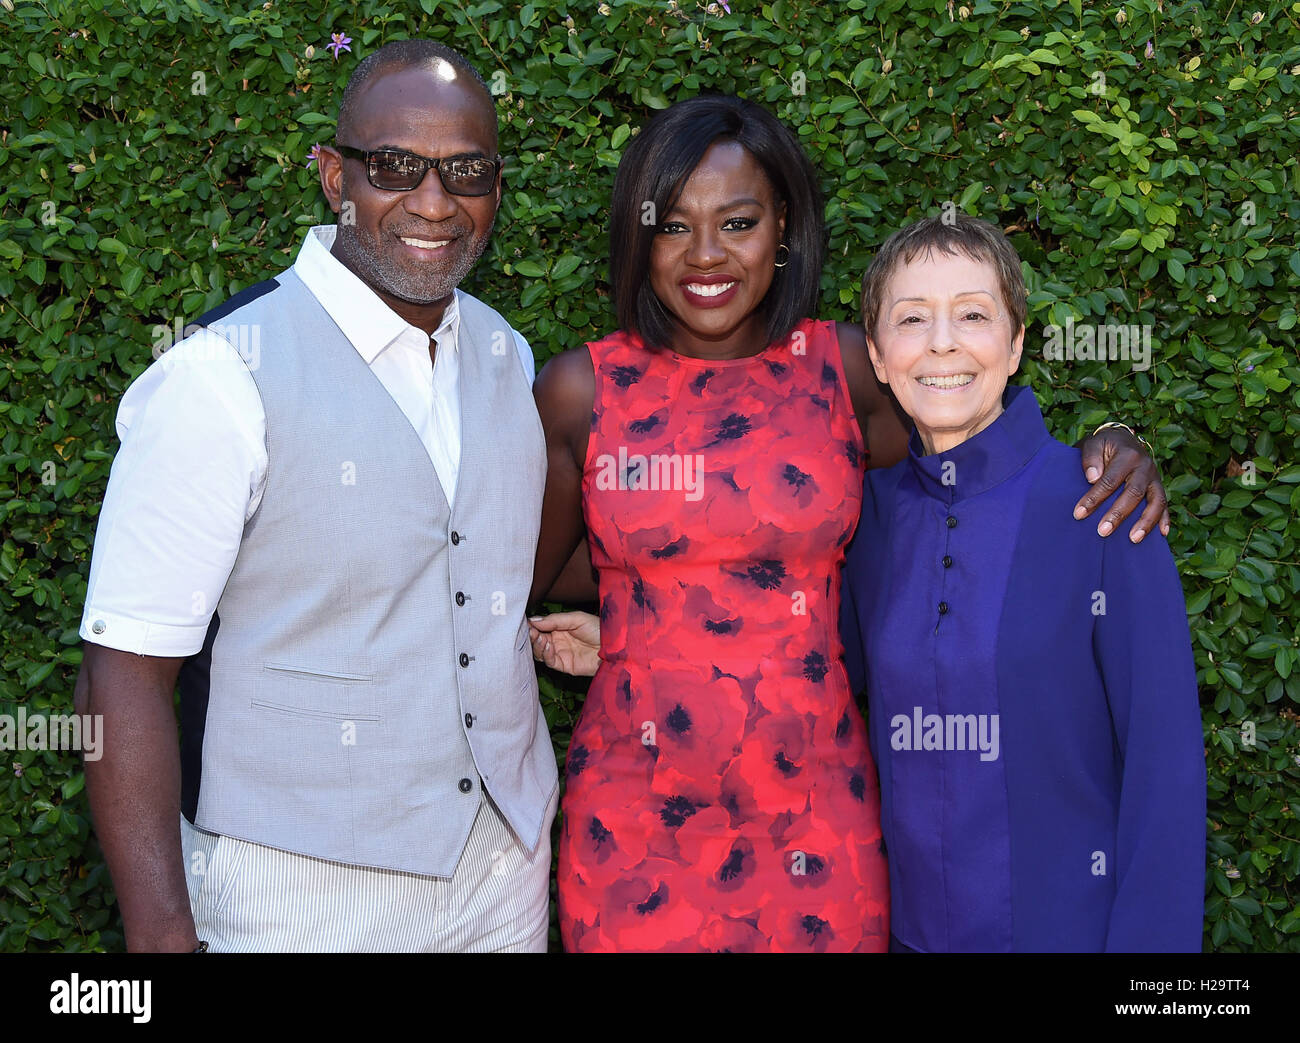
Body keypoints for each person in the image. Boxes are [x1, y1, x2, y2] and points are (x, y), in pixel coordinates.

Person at [528, 95, 1169, 953]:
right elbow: (533, 571)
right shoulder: (579, 391)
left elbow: (968, 441)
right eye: (673, 226)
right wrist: (650, 628)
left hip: (816, 821)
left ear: (784, 226)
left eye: (740, 221)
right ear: (637, 236)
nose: (707, 254)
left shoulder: (845, 371)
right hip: (636, 822)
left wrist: (1109, 443)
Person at [72, 41, 558, 952]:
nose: (432, 201)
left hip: (504, 875)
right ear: (335, 175)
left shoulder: (508, 355)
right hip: (291, 892)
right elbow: (120, 675)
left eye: (466, 171)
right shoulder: (220, 378)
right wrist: (160, 932)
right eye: (394, 167)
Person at [839, 214, 1205, 951]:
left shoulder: (1103, 503)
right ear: (878, 355)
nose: (942, 341)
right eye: (912, 319)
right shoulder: (866, 518)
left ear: (1015, 343)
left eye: (973, 314)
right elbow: (798, 672)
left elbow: (1164, 777)